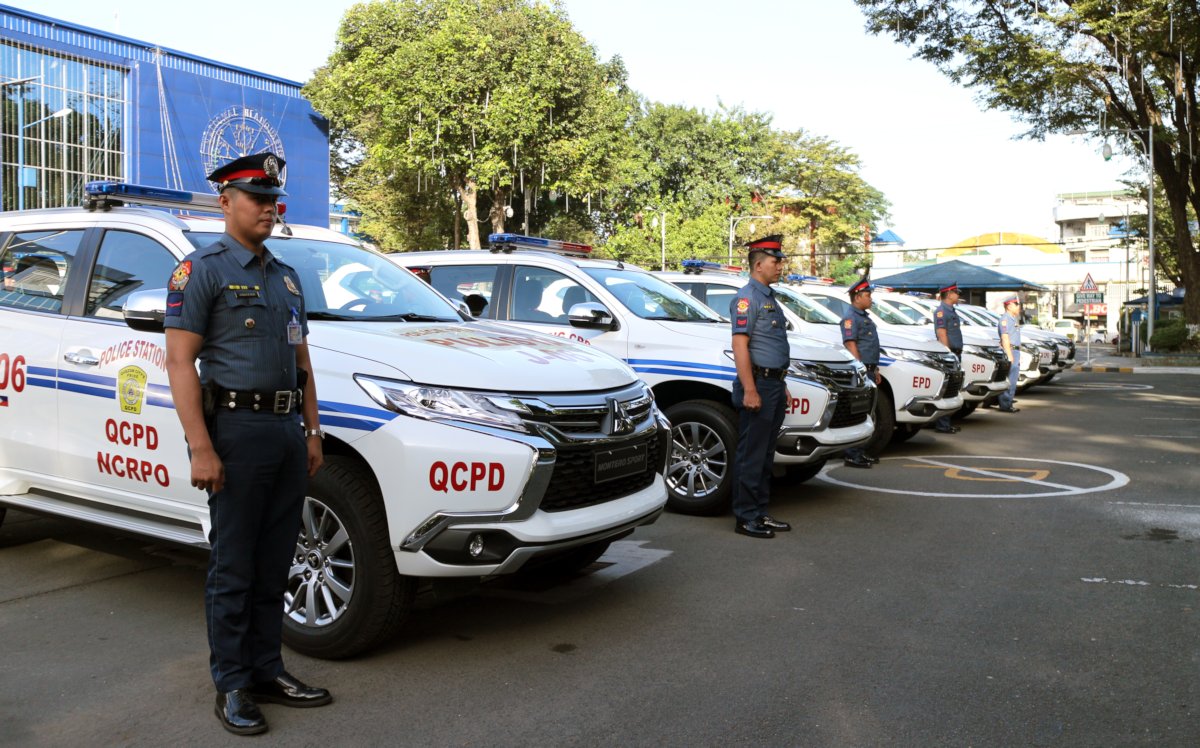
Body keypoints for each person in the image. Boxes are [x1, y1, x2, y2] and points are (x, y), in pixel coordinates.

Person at [164, 153, 332, 737]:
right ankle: (232, 683)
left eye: (272, 198)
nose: (268, 207)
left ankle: (267, 670)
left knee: (274, 562)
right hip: (234, 434)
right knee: (234, 566)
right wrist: (200, 447)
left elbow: (302, 361)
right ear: (225, 202)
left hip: (285, 435)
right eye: (257, 197)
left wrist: (311, 432)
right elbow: (181, 363)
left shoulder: (285, 275)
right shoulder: (200, 270)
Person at [729, 234, 792, 539]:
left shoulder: (769, 298)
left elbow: (773, 345)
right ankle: (745, 516)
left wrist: (783, 383)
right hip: (759, 385)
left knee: (766, 454)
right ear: (758, 265)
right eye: (775, 261)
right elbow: (741, 345)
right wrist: (750, 389)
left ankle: (760, 512)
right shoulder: (747, 298)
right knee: (751, 454)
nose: (780, 265)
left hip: (773, 384)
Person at [840, 278, 882, 468]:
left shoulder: (863, 317)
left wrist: (875, 369)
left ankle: (860, 452)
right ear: (857, 297)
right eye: (868, 295)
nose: (871, 299)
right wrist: (861, 370)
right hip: (862, 372)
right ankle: (852, 454)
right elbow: (851, 344)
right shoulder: (851, 318)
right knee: (858, 413)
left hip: (870, 370)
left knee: (867, 414)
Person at [932, 282, 963, 434]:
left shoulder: (951, 310)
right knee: (947, 390)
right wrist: (948, 354)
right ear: (949, 294)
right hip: (950, 354)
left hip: (956, 353)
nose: (958, 295)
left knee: (953, 390)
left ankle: (947, 422)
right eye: (956, 292)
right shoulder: (941, 311)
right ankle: (942, 424)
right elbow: (942, 333)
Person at [996, 293, 1022, 413]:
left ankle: (1008, 401)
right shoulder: (1005, 319)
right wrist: (1010, 355)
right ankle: (1006, 404)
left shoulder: (1012, 319)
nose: (1018, 307)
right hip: (1010, 351)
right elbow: (1005, 338)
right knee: (1009, 380)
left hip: (1015, 351)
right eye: (1016, 304)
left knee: (1013, 379)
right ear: (1009, 306)